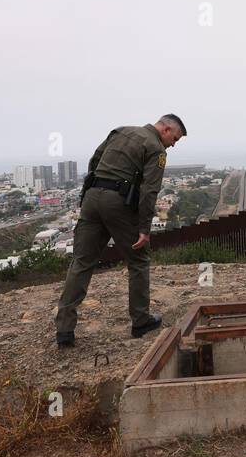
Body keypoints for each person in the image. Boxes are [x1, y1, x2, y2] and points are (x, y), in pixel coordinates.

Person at [54, 114, 186, 349]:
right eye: (174, 138)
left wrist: (91, 193)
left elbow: (94, 161)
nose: (173, 144)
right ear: (165, 129)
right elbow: (149, 191)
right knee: (138, 260)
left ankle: (64, 330)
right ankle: (140, 320)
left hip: (93, 199)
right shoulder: (156, 149)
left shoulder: (120, 131)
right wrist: (144, 229)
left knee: (82, 262)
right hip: (118, 203)